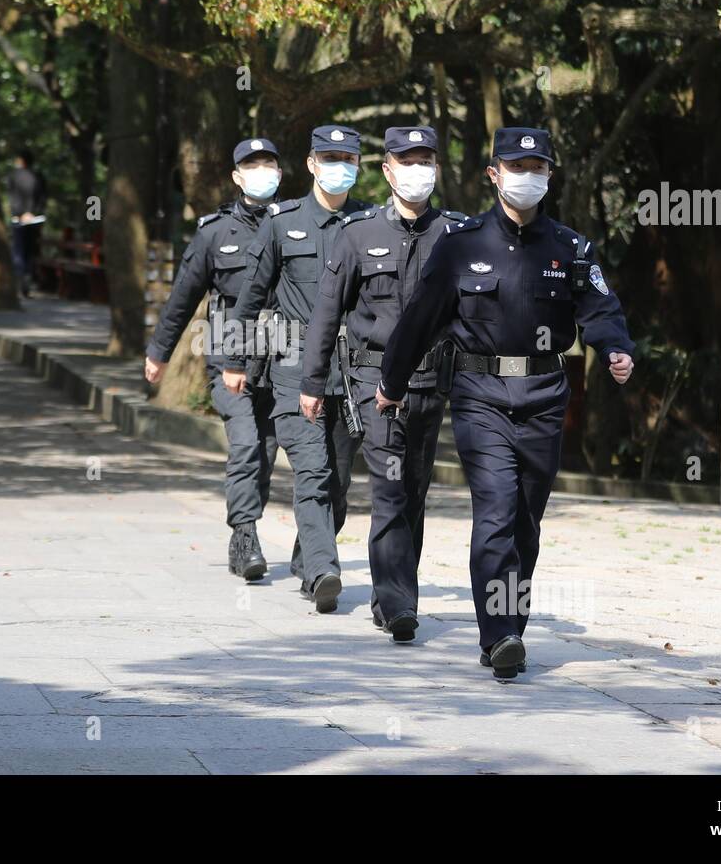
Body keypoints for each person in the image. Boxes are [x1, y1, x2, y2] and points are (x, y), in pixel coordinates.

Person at [376, 127, 635, 678]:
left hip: (543, 397)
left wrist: (615, 348)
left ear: (549, 176)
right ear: (494, 175)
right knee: (494, 511)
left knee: (525, 522)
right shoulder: (462, 244)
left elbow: (601, 308)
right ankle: (500, 636)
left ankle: (509, 621)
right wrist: (392, 384)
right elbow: (419, 319)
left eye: (537, 168)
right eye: (516, 168)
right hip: (481, 398)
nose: (527, 177)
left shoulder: (570, 249)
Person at [300, 126, 465, 643]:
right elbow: (327, 314)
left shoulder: (456, 235)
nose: (417, 170)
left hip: (431, 381)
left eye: (425, 160)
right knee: (390, 487)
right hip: (373, 382)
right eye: (405, 161)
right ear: (387, 170)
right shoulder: (358, 234)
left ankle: (390, 591)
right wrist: (311, 381)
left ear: (436, 169)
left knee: (415, 489)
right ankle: (398, 602)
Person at [223, 124, 372, 614]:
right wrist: (235, 360)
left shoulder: (368, 224)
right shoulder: (281, 222)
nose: (338, 166)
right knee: (312, 471)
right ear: (311, 164)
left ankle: (309, 559)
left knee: (340, 482)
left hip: (349, 373)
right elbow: (249, 300)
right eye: (328, 157)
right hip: (291, 366)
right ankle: (326, 570)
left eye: (346, 157)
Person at [145, 138, 284, 580]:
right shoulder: (214, 232)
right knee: (244, 442)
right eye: (252, 165)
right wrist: (159, 352)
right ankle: (245, 536)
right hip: (226, 350)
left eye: (269, 164)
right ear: (237, 177)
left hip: (283, 350)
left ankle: (251, 526)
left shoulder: (295, 224)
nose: (263, 171)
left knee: (264, 449)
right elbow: (183, 297)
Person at [7, 149, 47, 297]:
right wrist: (33, 212)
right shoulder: (38, 176)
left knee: (18, 250)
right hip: (34, 219)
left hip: (18, 219)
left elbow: (12, 198)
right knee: (30, 251)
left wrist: (19, 213)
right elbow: (43, 198)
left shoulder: (13, 176)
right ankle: (27, 278)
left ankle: (21, 279)